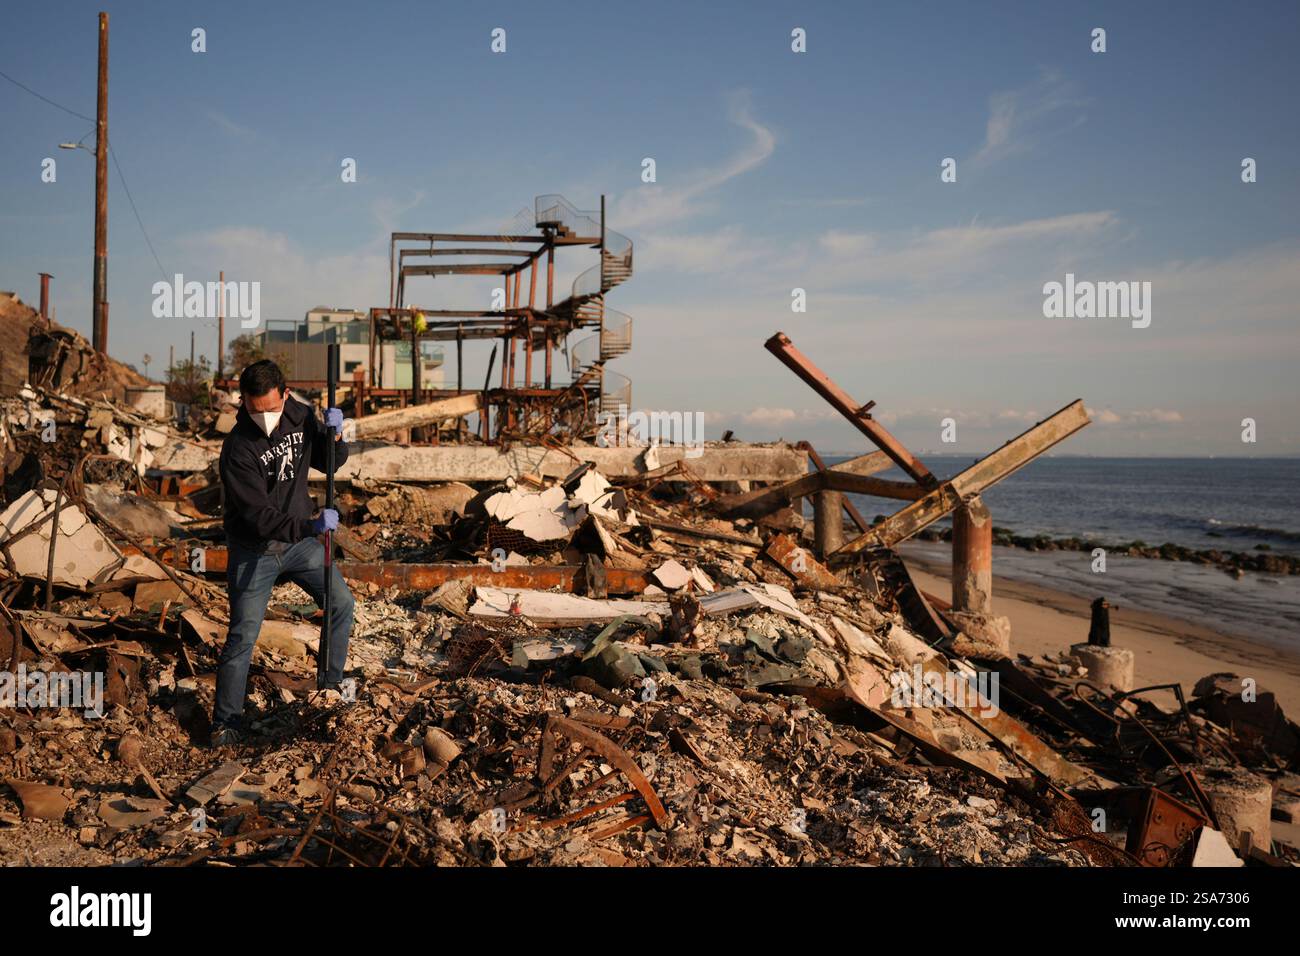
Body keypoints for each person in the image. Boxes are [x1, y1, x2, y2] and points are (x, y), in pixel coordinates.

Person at [210, 359, 352, 746]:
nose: (265, 418)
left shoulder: (300, 416)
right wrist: (310, 526)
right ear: (244, 403)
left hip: (302, 545)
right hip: (255, 550)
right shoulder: (238, 448)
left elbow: (331, 464)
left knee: (341, 604)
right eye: (255, 411)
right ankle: (226, 721)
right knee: (242, 636)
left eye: (271, 409)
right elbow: (259, 517)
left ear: (285, 395)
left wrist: (335, 438)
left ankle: (330, 688)